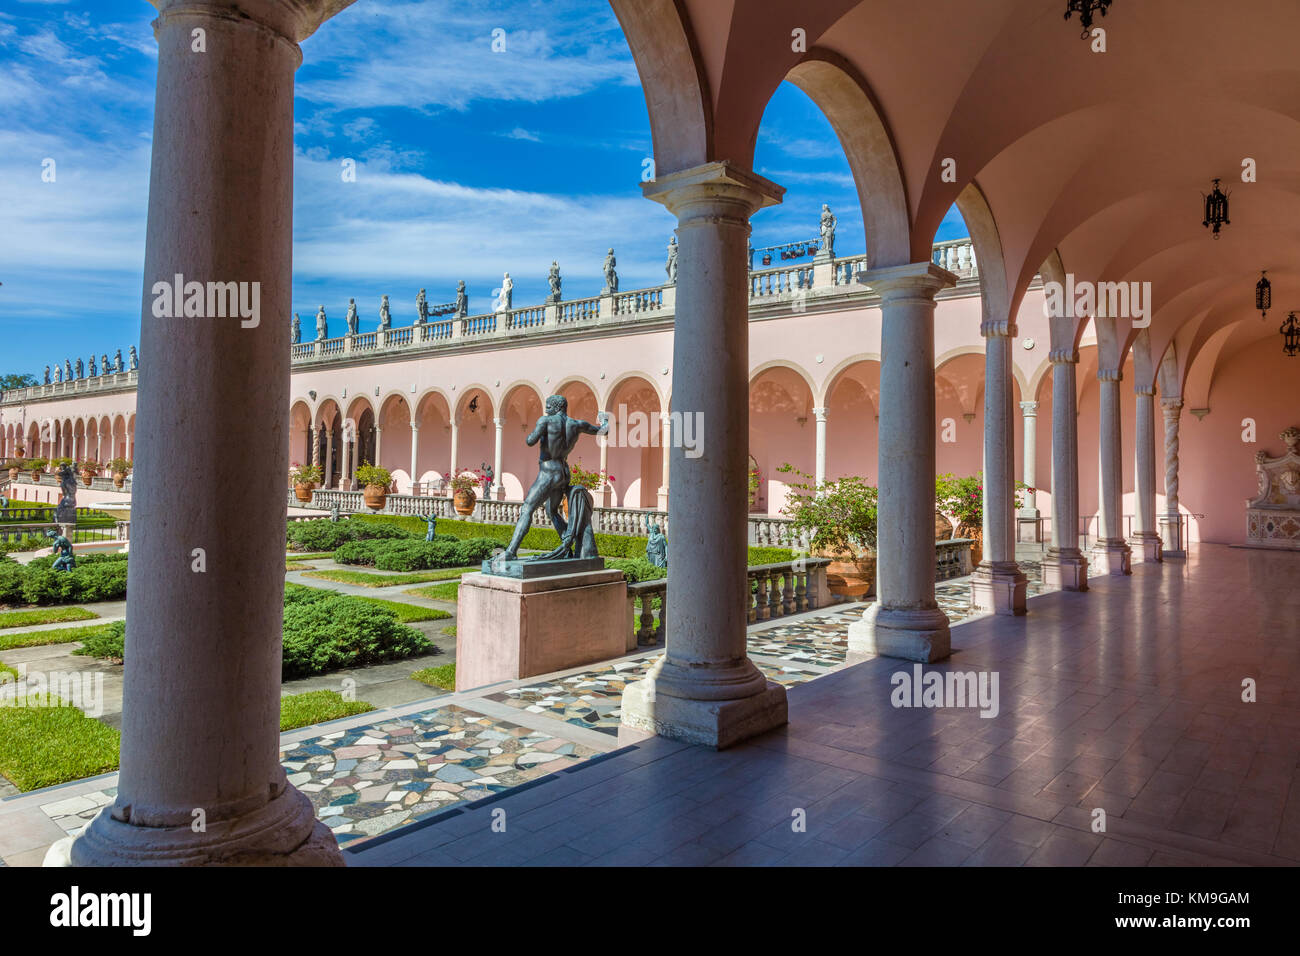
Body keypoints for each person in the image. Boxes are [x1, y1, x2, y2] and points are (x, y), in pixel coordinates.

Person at [499, 395, 608, 560]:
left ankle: (510, 552)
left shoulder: (545, 421)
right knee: (551, 510)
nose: (546, 409)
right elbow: (603, 430)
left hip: (548, 471)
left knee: (527, 508)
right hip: (563, 472)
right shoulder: (577, 424)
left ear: (557, 407)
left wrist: (541, 433)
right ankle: (567, 546)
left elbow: (530, 441)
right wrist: (604, 420)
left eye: (548, 406)